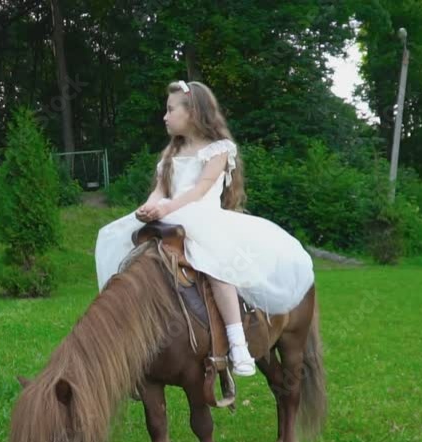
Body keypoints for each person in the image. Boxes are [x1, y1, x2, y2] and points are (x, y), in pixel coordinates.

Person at [95, 80, 315, 377]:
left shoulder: (218, 150)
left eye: (171, 109)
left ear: (193, 112)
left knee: (217, 266)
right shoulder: (170, 154)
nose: (165, 116)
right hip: (169, 216)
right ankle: (126, 338)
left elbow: (200, 190)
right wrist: (149, 207)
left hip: (203, 218)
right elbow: (160, 190)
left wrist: (166, 208)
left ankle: (237, 343)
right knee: (120, 247)